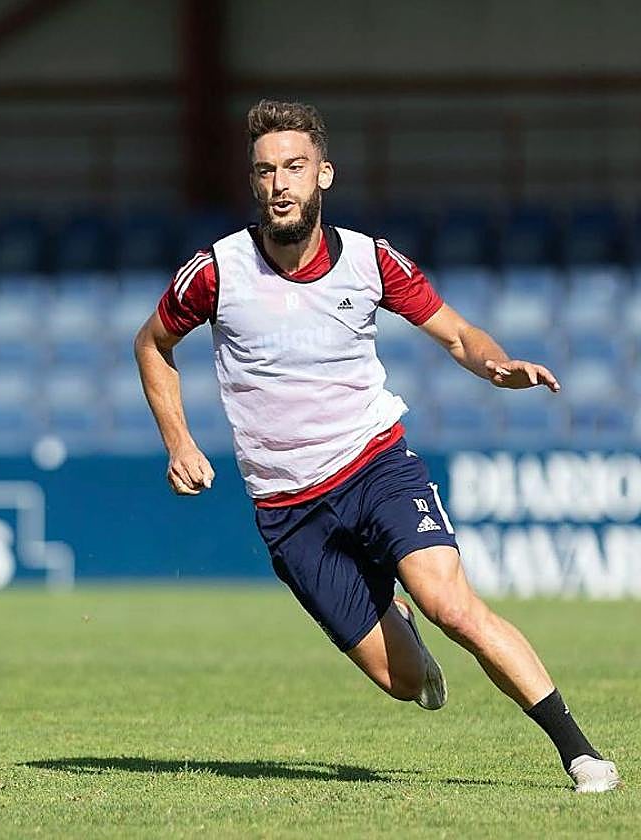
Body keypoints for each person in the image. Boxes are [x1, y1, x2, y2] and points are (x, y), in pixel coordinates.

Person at [134, 99, 619, 793]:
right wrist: (177, 441)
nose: (280, 183)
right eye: (266, 171)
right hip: (288, 509)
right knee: (406, 681)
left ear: (323, 174)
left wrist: (496, 364)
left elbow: (457, 334)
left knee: (453, 607)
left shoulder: (371, 261)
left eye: (295, 167)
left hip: (374, 465)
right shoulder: (216, 272)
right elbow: (151, 344)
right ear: (253, 183)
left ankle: (580, 752)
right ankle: (393, 617)